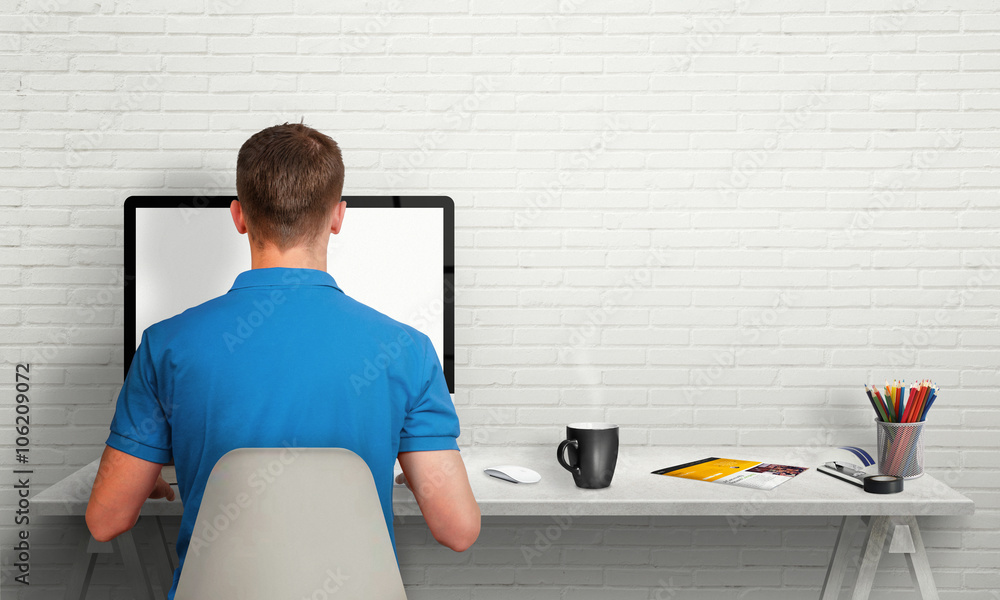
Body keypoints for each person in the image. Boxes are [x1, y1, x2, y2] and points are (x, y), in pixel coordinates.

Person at [86, 123, 480, 597]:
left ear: (238, 216)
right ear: (338, 216)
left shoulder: (164, 345)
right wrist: (418, 478)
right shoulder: (408, 350)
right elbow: (457, 530)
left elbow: (106, 520)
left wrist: (139, 472)